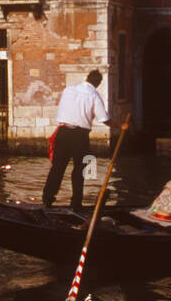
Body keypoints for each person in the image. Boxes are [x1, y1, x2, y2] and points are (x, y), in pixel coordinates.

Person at [42, 70, 124, 209]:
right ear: (98, 83)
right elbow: (104, 119)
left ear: (86, 78)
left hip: (62, 132)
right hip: (79, 136)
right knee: (80, 169)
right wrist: (120, 125)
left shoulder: (68, 90)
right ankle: (76, 203)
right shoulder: (94, 95)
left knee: (57, 168)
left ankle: (47, 200)